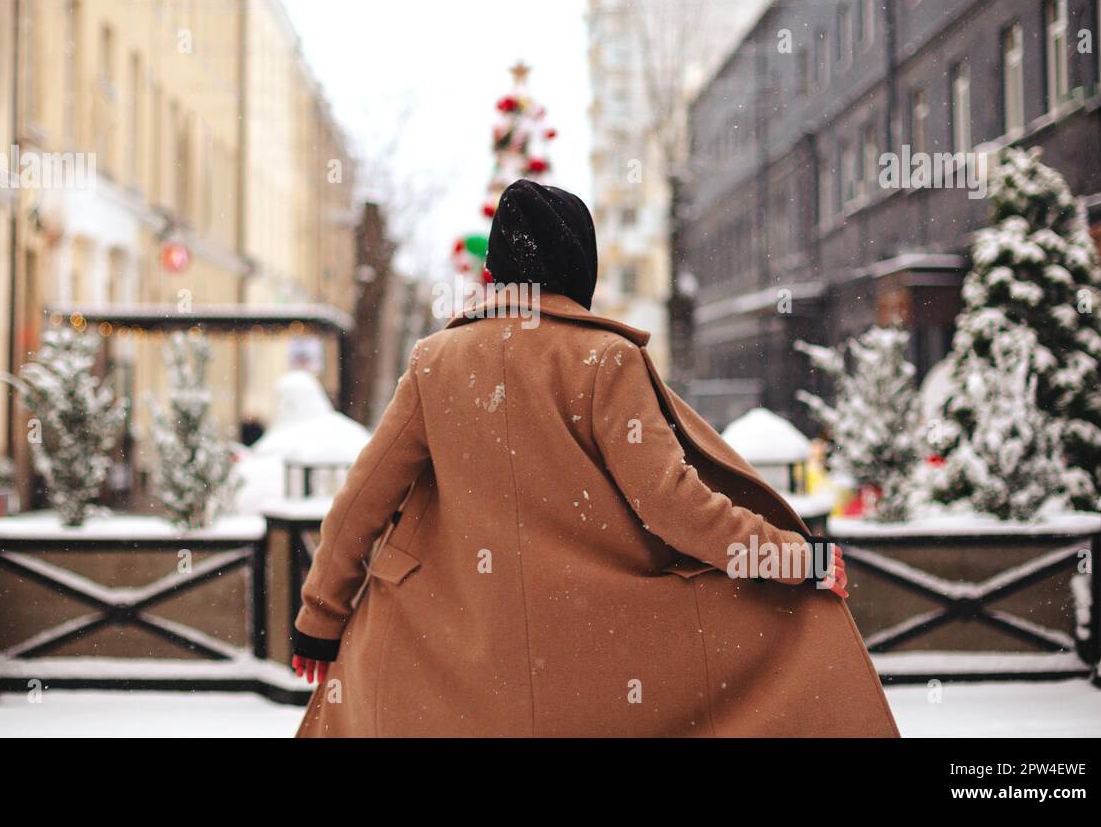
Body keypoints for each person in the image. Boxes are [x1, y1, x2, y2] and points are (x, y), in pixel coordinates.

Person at [290, 179, 898, 737]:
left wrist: (318, 620)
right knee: (791, 629)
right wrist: (795, 558)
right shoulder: (604, 360)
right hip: (590, 659)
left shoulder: (434, 362)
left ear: (492, 272)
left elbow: (360, 505)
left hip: (447, 665)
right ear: (581, 267)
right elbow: (673, 505)